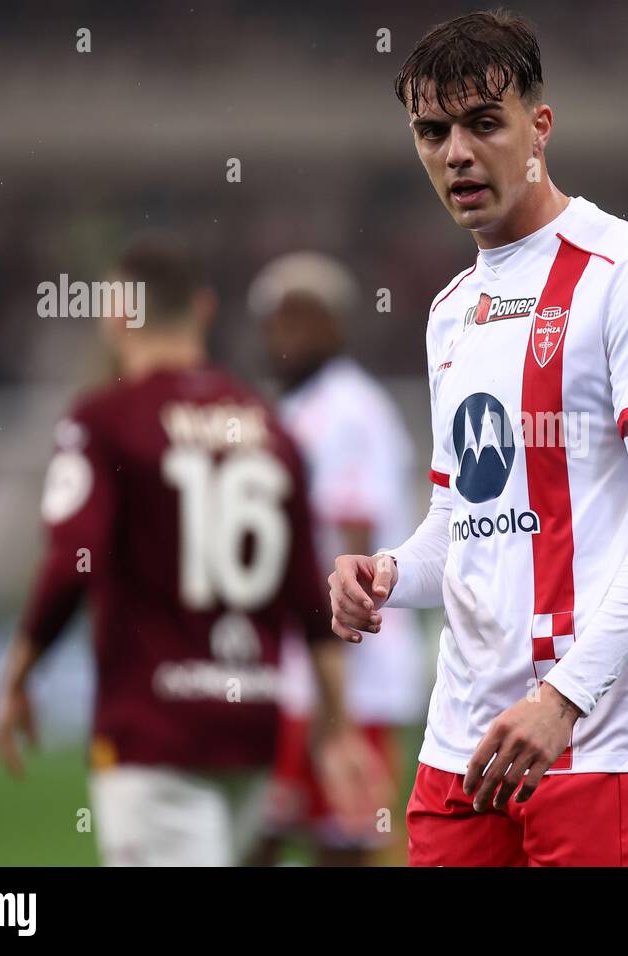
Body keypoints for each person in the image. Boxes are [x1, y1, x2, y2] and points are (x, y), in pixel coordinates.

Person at [329, 10, 628, 867]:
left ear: (539, 127)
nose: (456, 153)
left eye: (482, 124)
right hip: (464, 746)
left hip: (603, 742)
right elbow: (462, 522)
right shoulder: (449, 312)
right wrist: (389, 573)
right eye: (432, 132)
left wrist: (564, 698)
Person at [0, 235, 380, 866]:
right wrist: (336, 727)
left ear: (118, 314)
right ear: (203, 309)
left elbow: (70, 561)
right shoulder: (270, 428)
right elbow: (310, 594)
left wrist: (18, 671)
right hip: (250, 727)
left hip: (154, 731)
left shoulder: (107, 420)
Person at [248, 251, 424, 865]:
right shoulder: (295, 410)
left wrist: (334, 693)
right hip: (304, 666)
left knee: (349, 842)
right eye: (276, 321)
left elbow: (354, 540)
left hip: (353, 667)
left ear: (334, 326)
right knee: (271, 833)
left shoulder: (348, 410)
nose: (284, 336)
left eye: (301, 319)